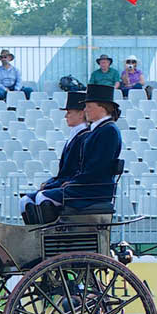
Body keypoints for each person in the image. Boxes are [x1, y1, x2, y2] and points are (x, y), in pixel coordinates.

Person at [36, 84, 122, 221]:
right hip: (86, 185)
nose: (85, 109)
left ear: (102, 107)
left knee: (43, 197)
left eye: (89, 106)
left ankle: (55, 238)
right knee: (39, 197)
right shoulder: (99, 130)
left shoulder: (108, 130)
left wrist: (73, 182)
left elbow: (97, 167)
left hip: (94, 189)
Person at [20, 91, 88, 224]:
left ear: (81, 113)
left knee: (43, 197)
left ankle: (55, 238)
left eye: (69, 112)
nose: (65, 116)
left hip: (72, 186)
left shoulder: (85, 137)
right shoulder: (75, 135)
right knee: (25, 200)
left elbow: (74, 171)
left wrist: (52, 185)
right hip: (63, 182)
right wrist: (50, 183)